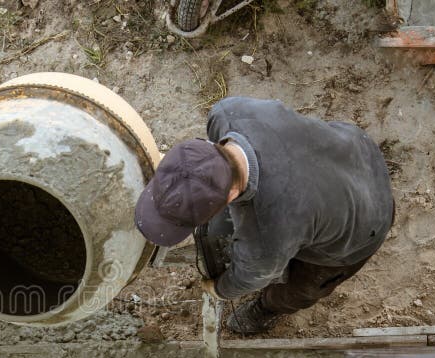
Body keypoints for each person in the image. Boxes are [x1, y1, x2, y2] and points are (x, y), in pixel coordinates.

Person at [134, 96, 395, 334]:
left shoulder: (267, 234)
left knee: (299, 289)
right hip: (351, 146)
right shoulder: (227, 114)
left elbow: (250, 277)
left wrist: (218, 288)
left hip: (366, 220)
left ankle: (267, 309)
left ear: (229, 197)